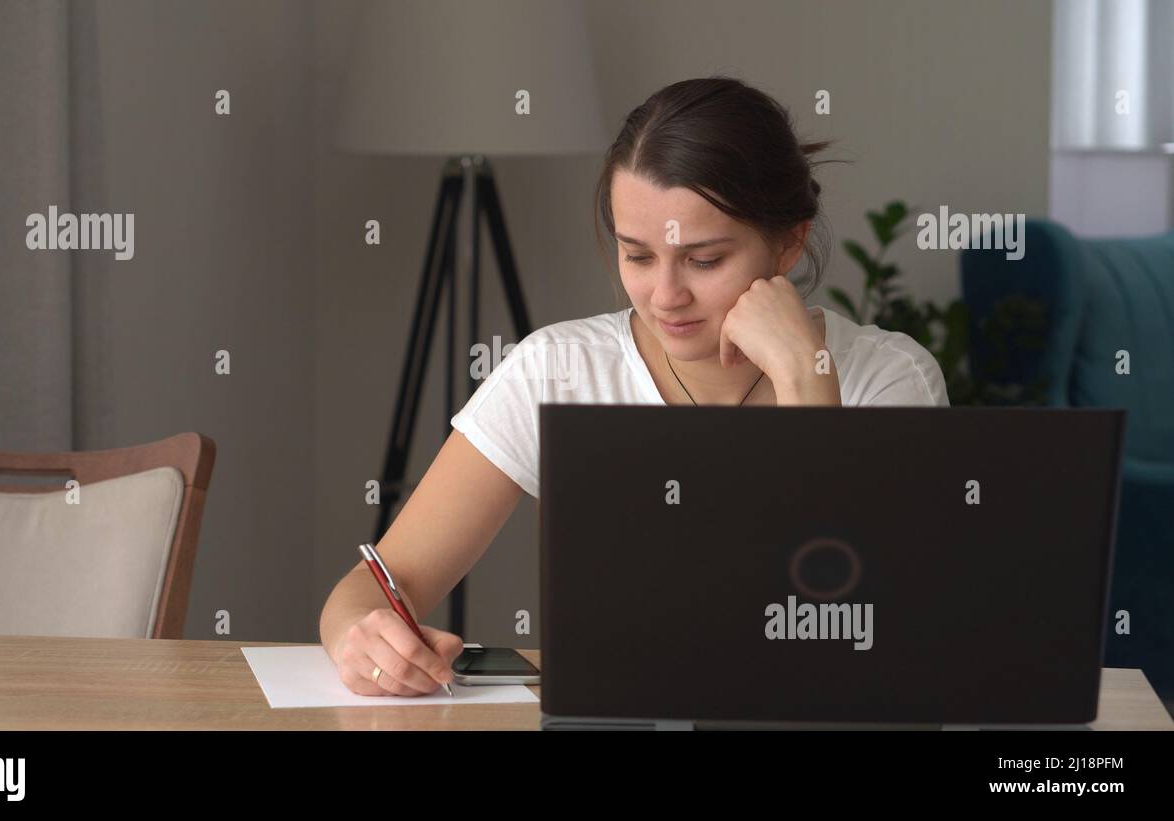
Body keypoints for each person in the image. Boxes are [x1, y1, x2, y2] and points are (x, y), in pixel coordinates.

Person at [320, 75, 949, 696]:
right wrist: (362, 635)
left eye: (705, 260)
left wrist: (802, 380)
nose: (666, 296)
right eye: (638, 256)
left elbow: (858, 622)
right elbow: (383, 579)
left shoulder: (890, 378)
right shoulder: (559, 369)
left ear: (788, 245)